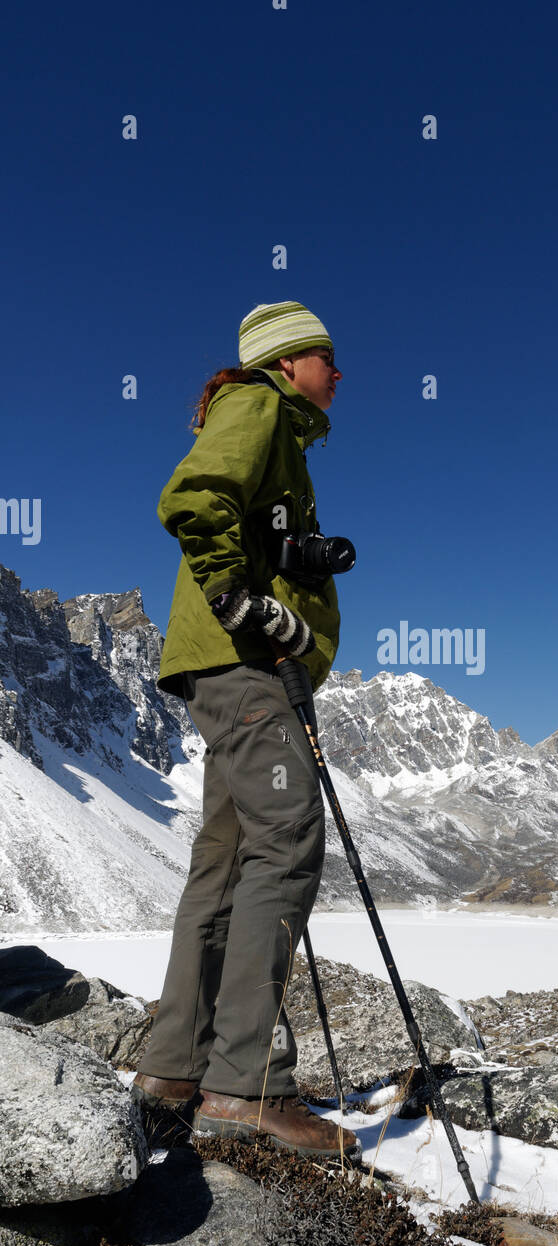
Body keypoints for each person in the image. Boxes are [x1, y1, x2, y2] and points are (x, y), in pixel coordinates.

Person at [133, 300, 360, 1159]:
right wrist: (241, 597)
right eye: (326, 357)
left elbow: (232, 514)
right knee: (287, 838)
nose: (338, 374)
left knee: (223, 859)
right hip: (244, 665)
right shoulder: (258, 404)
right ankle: (244, 1086)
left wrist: (280, 571)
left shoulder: (272, 426)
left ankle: (172, 1073)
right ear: (288, 360)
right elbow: (193, 495)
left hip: (227, 667)